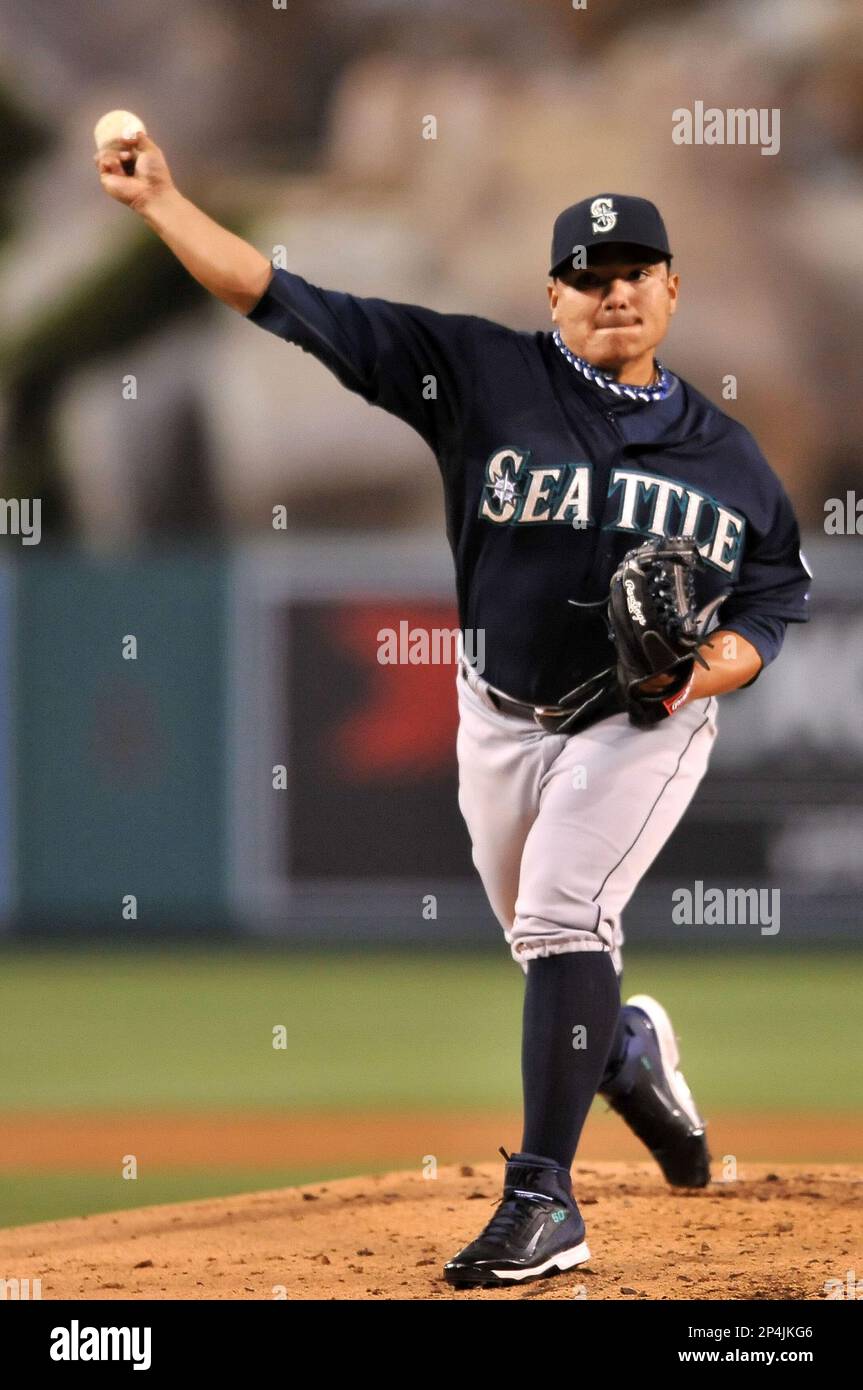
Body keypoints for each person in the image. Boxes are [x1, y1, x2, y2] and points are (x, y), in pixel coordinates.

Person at [96, 136, 811, 1289]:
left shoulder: (727, 461)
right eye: (588, 272)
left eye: (635, 269)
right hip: (497, 714)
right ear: (552, 296)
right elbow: (276, 295)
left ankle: (544, 1200)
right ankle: (626, 1049)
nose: (612, 289)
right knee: (547, 945)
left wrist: (700, 669)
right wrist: (165, 201)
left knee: (561, 917)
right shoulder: (474, 371)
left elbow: (773, 598)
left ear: (673, 288)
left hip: (642, 720)